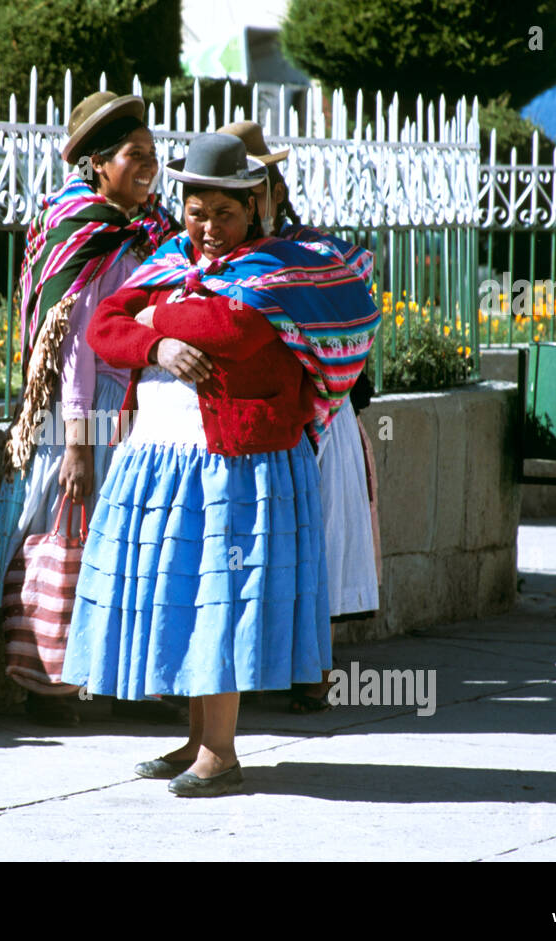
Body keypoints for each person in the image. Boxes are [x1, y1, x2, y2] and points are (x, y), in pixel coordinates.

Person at [61, 133, 374, 796]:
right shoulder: (172, 258)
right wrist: (163, 341)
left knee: (224, 598)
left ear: (256, 206)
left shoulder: (281, 269)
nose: (207, 227)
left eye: (224, 213)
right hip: (167, 454)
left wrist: (156, 319)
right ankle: (196, 738)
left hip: (240, 461)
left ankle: (223, 752)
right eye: (196, 210)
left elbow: (235, 330)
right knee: (186, 593)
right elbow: (102, 329)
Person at [0, 91, 179, 726]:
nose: (148, 166)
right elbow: (71, 346)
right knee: (64, 537)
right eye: (134, 155)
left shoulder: (145, 231)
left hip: (130, 410)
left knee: (124, 543)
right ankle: (48, 685)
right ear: (97, 162)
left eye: (153, 155)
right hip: (84, 414)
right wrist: (75, 445)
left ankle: (120, 679)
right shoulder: (83, 230)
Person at [219, 120, 383, 713]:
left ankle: (314, 670)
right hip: (240, 421)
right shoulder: (208, 258)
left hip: (319, 413)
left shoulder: (317, 253)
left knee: (319, 537)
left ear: (276, 191)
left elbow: (350, 319)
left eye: (256, 186)